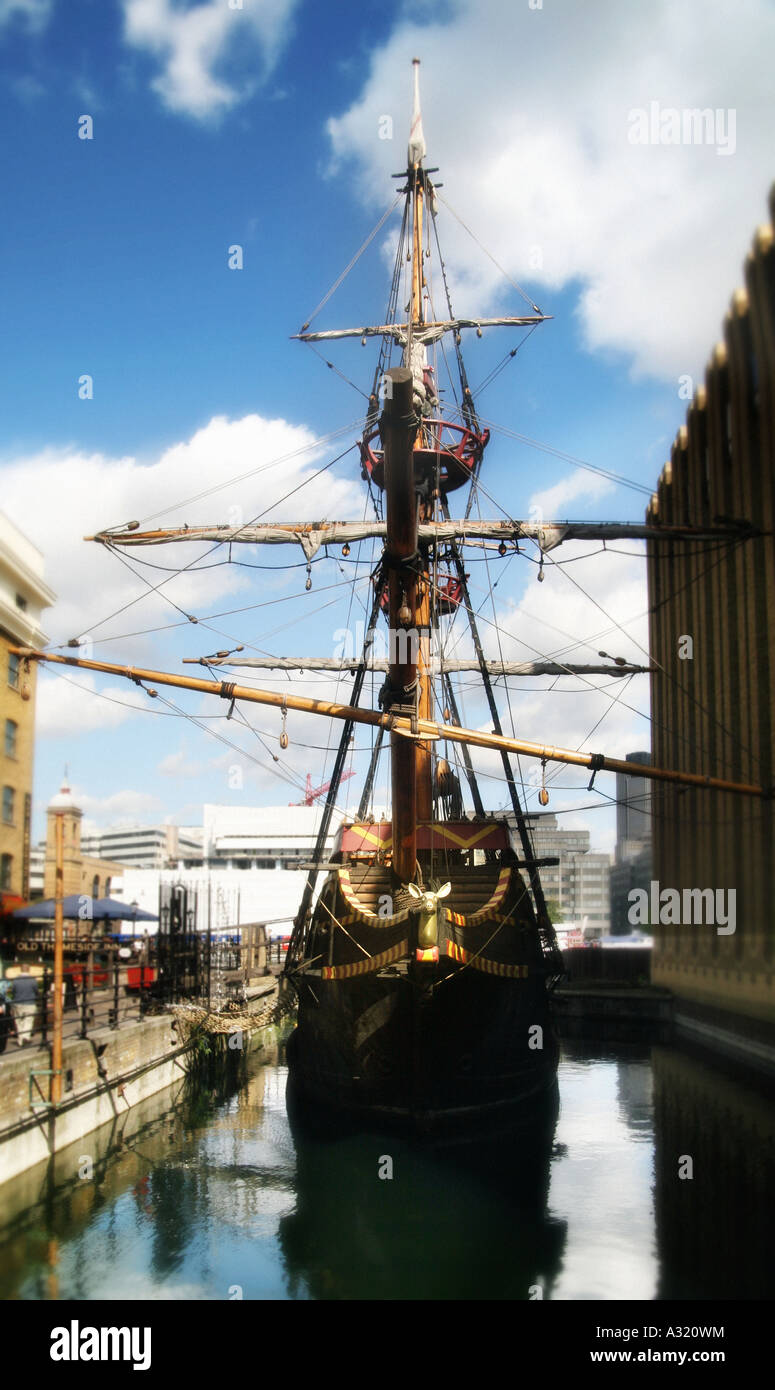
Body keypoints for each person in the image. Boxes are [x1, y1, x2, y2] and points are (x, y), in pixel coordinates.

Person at [12, 964, 38, 1046]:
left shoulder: (15, 980)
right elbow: (36, 991)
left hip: (17, 1002)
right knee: (28, 1020)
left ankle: (20, 1040)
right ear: (29, 970)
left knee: (19, 1022)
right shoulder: (33, 980)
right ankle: (25, 1037)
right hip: (30, 1002)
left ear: (21, 970)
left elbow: (13, 991)